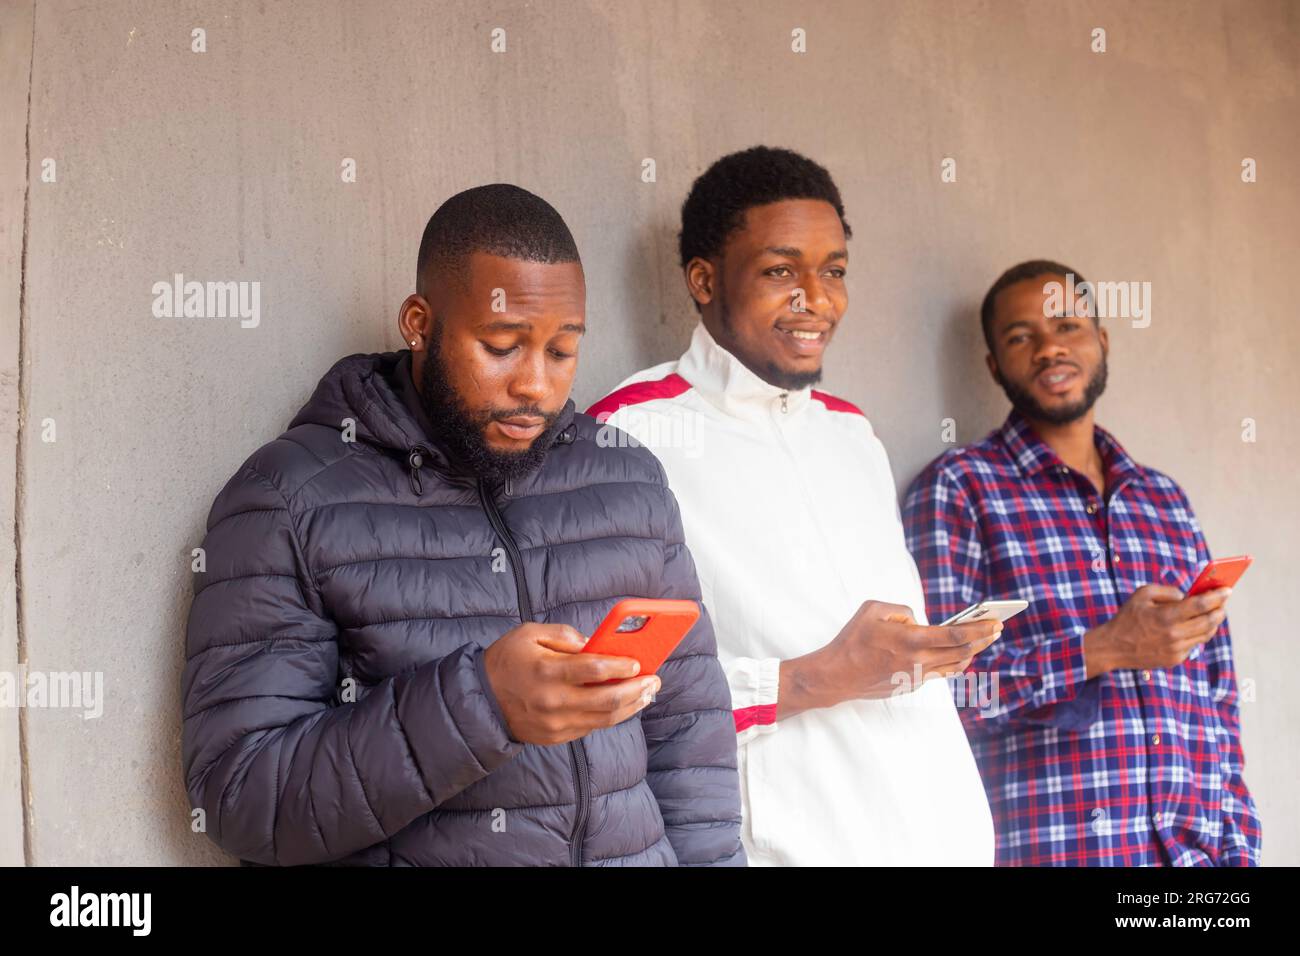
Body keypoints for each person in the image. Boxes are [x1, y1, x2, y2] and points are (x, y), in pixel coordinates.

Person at [181, 184, 744, 866]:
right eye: (502, 345)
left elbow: (692, 741)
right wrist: (480, 708)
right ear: (419, 321)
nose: (535, 385)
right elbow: (242, 795)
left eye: (562, 352)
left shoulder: (626, 482)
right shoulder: (289, 501)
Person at [587, 147, 997, 865]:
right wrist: (813, 677)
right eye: (781, 271)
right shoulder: (629, 434)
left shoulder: (851, 433)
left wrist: (931, 650)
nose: (819, 299)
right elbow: (613, 691)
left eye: (833, 271)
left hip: (943, 835)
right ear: (705, 280)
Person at [902, 259, 1262, 866]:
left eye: (1067, 325)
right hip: (1056, 852)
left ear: (1102, 340)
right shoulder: (960, 490)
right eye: (1021, 337)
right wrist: (1102, 649)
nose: (1048, 349)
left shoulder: (1164, 499)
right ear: (994, 365)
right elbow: (937, 695)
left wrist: (1239, 850)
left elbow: (1218, 696)